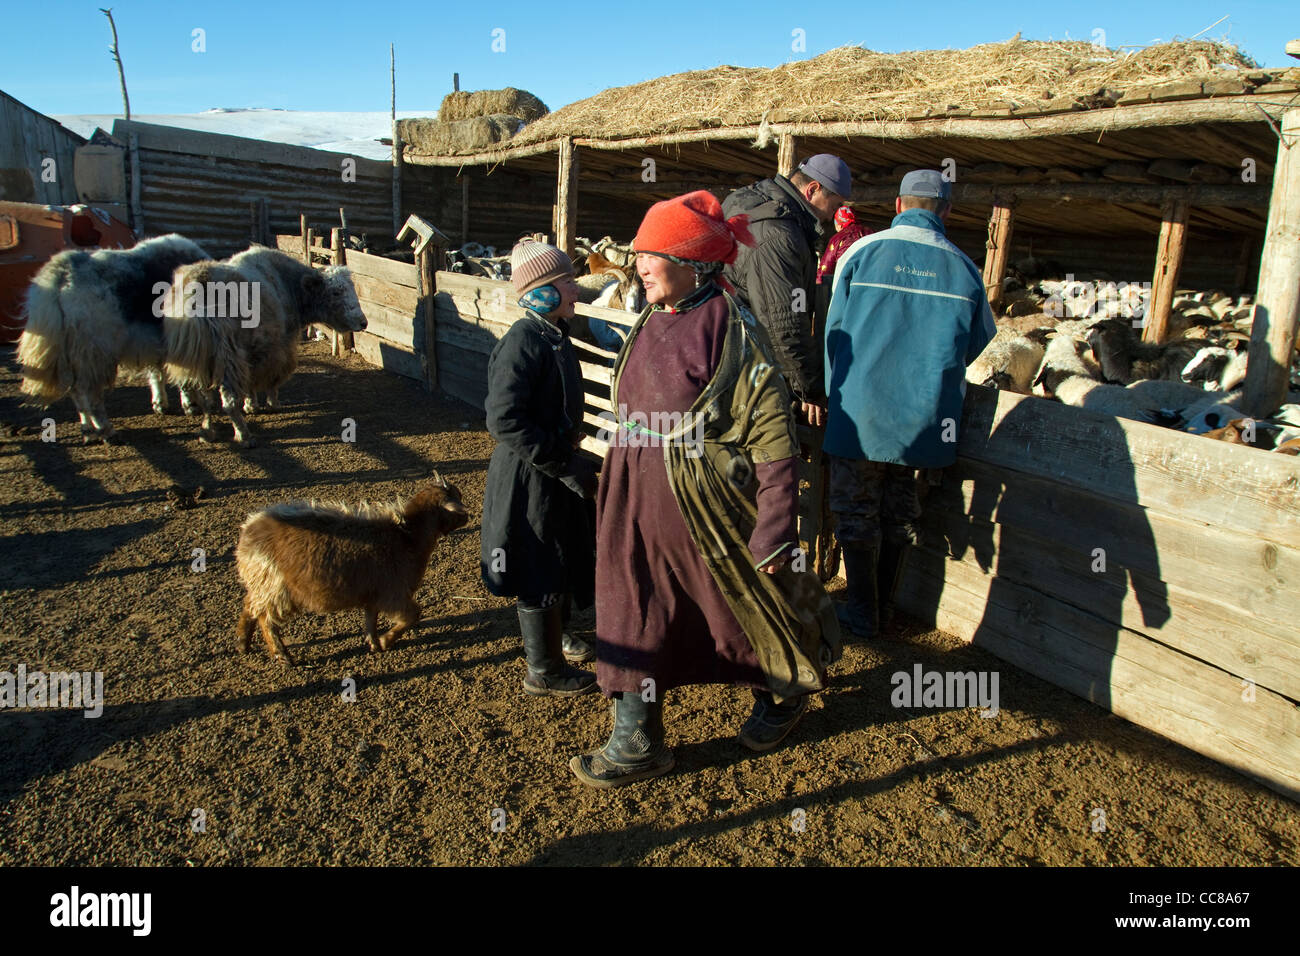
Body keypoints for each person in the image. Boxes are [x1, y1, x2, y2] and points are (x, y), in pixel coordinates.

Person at [571, 191, 841, 789]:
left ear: (694, 262)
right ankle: (636, 738)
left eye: (653, 255)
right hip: (634, 493)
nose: (639, 266)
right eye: (639, 254)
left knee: (730, 612)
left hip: (705, 508)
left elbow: (772, 433)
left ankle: (783, 690)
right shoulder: (652, 314)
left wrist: (774, 527)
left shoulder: (733, 328)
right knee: (631, 605)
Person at [823, 170, 996, 640]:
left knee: (855, 512)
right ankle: (885, 607)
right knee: (899, 515)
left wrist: (836, 390)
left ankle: (862, 612)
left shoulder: (861, 252)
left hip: (859, 412)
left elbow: (833, 333)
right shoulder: (964, 267)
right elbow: (978, 342)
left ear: (899, 205)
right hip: (927, 418)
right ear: (947, 212)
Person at [480, 239, 599, 696]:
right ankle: (544, 671)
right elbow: (504, 418)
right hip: (531, 474)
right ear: (541, 291)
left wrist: (571, 443)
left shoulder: (554, 335)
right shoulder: (523, 342)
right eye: (567, 281)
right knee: (537, 559)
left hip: (553, 466)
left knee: (558, 554)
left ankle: (558, 634)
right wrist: (560, 460)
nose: (575, 289)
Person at [722, 154, 853, 428]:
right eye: (836, 203)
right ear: (813, 189)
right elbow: (783, 323)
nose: (835, 213)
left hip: (727, 353)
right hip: (747, 372)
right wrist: (810, 389)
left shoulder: (754, 204)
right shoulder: (777, 233)